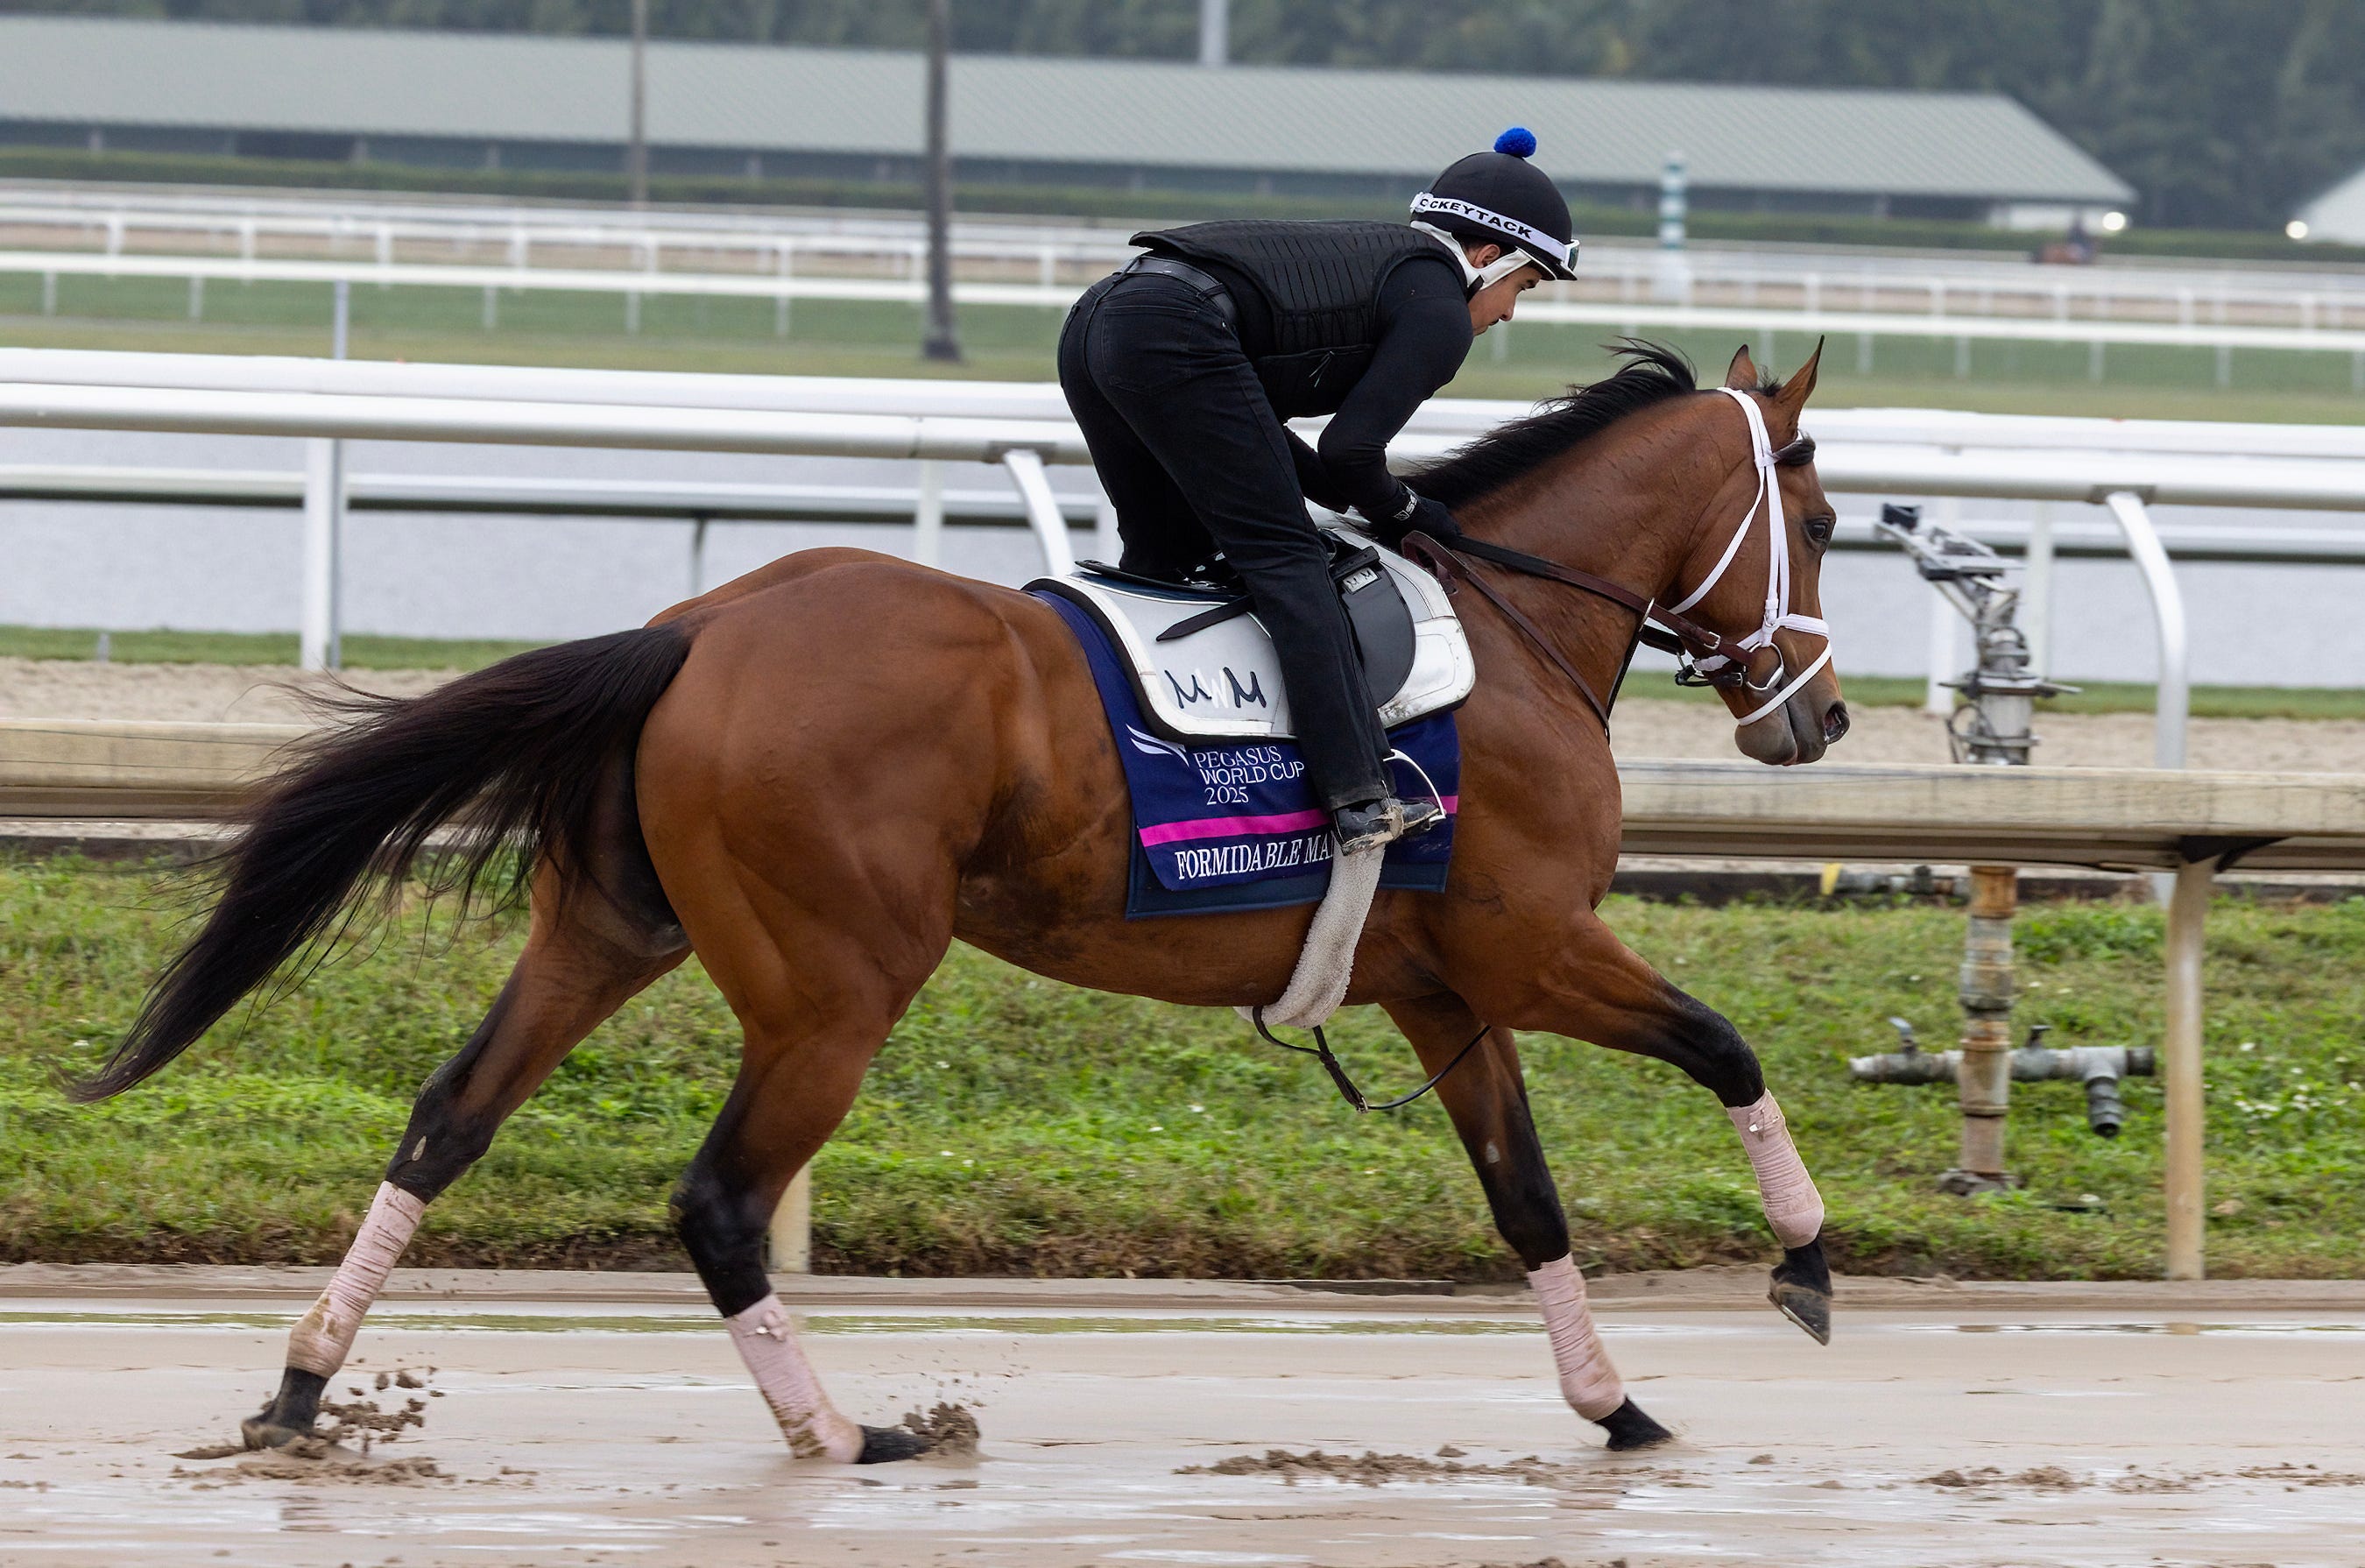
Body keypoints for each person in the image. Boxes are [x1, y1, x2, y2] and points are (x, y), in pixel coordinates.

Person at [1058, 128, 1578, 853]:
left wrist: (1366, 499)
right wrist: (1409, 513)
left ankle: (1125, 763)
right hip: (1168, 329)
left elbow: (1279, 442)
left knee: (1163, 552)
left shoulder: (1388, 264)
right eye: (1522, 288)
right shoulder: (1437, 306)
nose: (1510, 314)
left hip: (1099, 316)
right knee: (1290, 565)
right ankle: (1362, 797)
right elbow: (1352, 449)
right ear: (1488, 257)